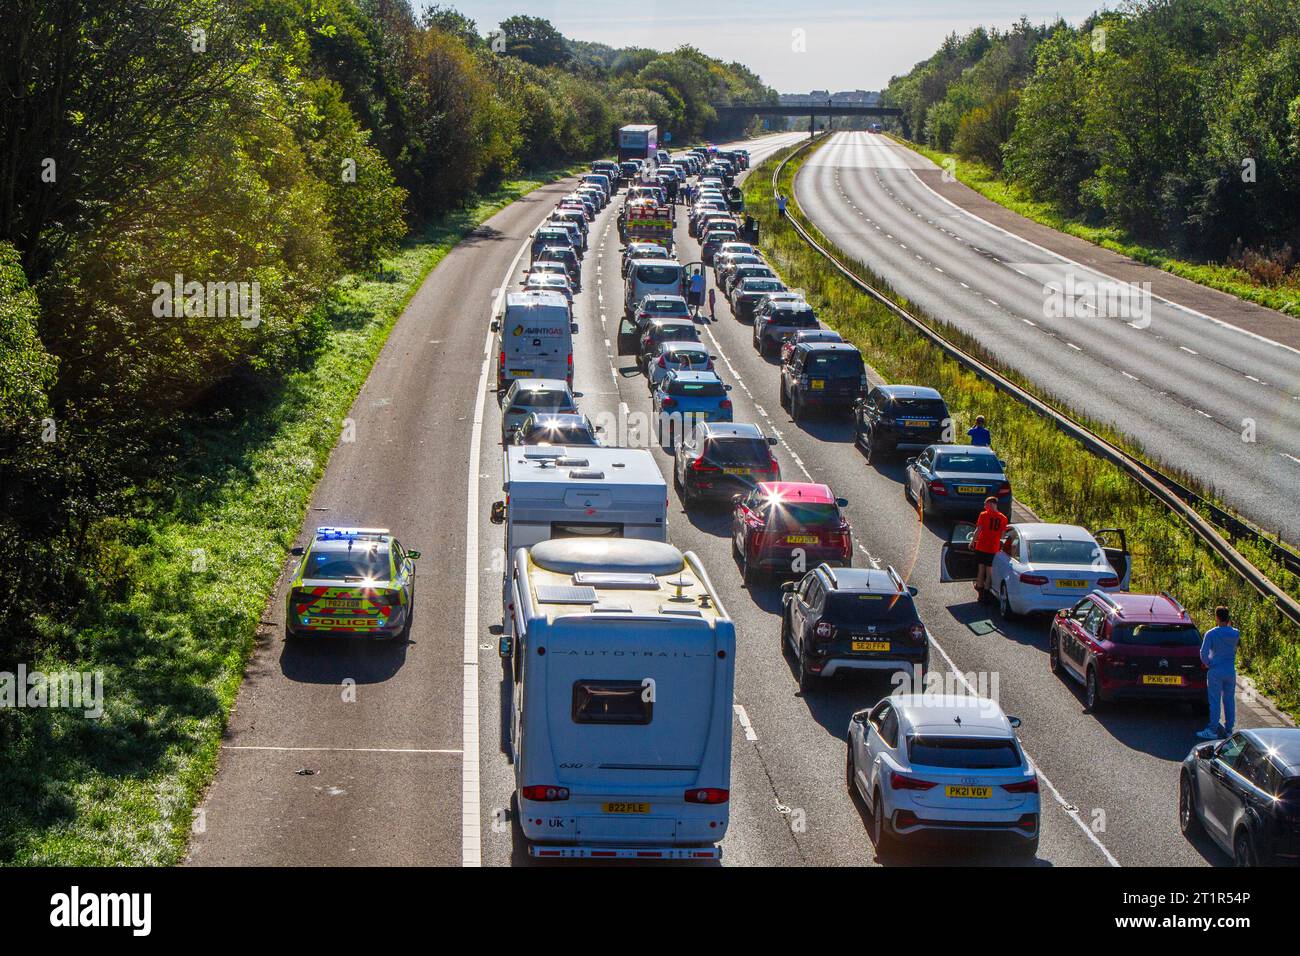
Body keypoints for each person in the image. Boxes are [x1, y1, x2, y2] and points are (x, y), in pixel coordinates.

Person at [1197, 606, 1241, 739]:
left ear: (1217, 617)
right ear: (1228, 617)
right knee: (1229, 700)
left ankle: (1213, 729)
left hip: (1216, 670)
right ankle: (1229, 729)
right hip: (1230, 670)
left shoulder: (1211, 634)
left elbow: (1203, 653)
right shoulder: (1235, 633)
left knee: (1215, 700)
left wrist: (1208, 663)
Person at [971, 496, 1008, 600]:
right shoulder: (1003, 518)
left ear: (992, 504)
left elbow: (978, 530)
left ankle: (980, 591)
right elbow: (1002, 535)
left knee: (981, 570)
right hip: (993, 549)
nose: (984, 506)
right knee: (989, 572)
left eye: (985, 504)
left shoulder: (983, 515)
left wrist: (972, 542)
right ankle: (987, 592)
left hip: (982, 546)